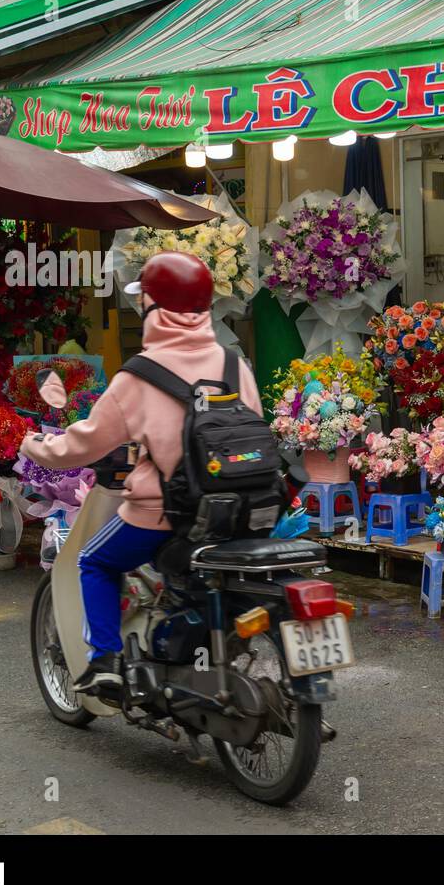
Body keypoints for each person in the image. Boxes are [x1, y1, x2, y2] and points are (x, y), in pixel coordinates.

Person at [20, 251, 262, 693]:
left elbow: (82, 444)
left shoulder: (140, 376)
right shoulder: (234, 364)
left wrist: (33, 445)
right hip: (240, 511)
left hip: (166, 513)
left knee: (92, 560)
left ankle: (106, 662)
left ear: (154, 308)